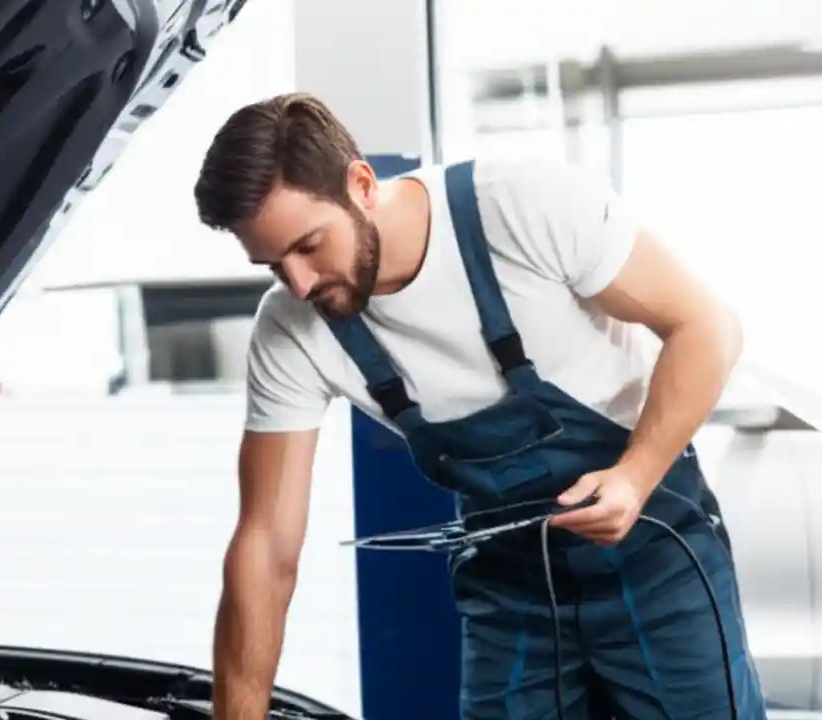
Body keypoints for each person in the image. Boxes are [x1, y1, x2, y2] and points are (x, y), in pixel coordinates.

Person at [192, 91, 767, 720]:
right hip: (510, 586)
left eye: (309, 246)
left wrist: (635, 475)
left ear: (360, 184)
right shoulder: (290, 329)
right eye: (273, 265)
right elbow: (267, 546)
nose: (299, 283)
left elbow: (707, 326)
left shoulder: (521, 206)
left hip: (656, 554)